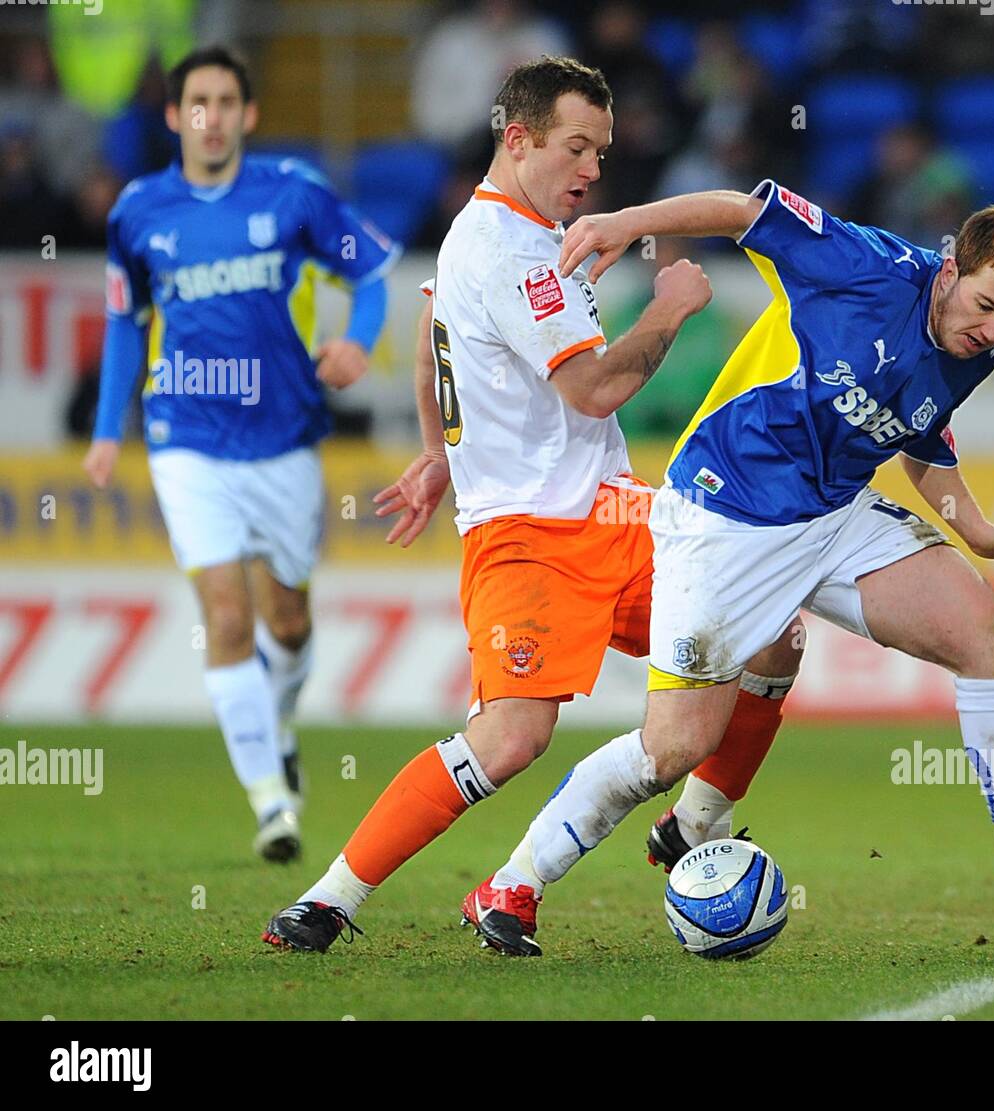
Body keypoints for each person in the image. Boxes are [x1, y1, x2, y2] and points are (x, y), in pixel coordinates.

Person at [469, 179, 994, 946]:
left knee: (991, 638)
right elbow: (743, 211)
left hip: (833, 514)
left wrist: (982, 530)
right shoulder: (861, 263)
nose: (993, 329)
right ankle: (513, 883)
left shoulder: (972, 349)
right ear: (953, 267)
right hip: (726, 514)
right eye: (987, 304)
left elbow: (920, 437)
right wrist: (626, 220)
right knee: (672, 747)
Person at [262, 57, 799, 957]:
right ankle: (328, 897)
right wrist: (671, 306)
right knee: (512, 736)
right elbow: (593, 389)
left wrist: (438, 455)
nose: (592, 170)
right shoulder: (513, 252)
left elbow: (432, 332)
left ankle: (696, 825)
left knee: (773, 627)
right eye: (576, 147)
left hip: (618, 515)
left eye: (602, 150)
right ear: (519, 139)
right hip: (530, 537)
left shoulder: (496, 233)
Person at [83, 46, 398, 862]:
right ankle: (271, 804)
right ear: (173, 115)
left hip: (284, 438)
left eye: (226, 101)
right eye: (197, 102)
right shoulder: (139, 210)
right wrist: (107, 431)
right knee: (226, 613)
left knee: (286, 619)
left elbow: (370, 277)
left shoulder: (293, 191)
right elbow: (126, 320)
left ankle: (280, 718)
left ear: (248, 115)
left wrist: (359, 344)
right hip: (183, 437)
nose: (211, 116)